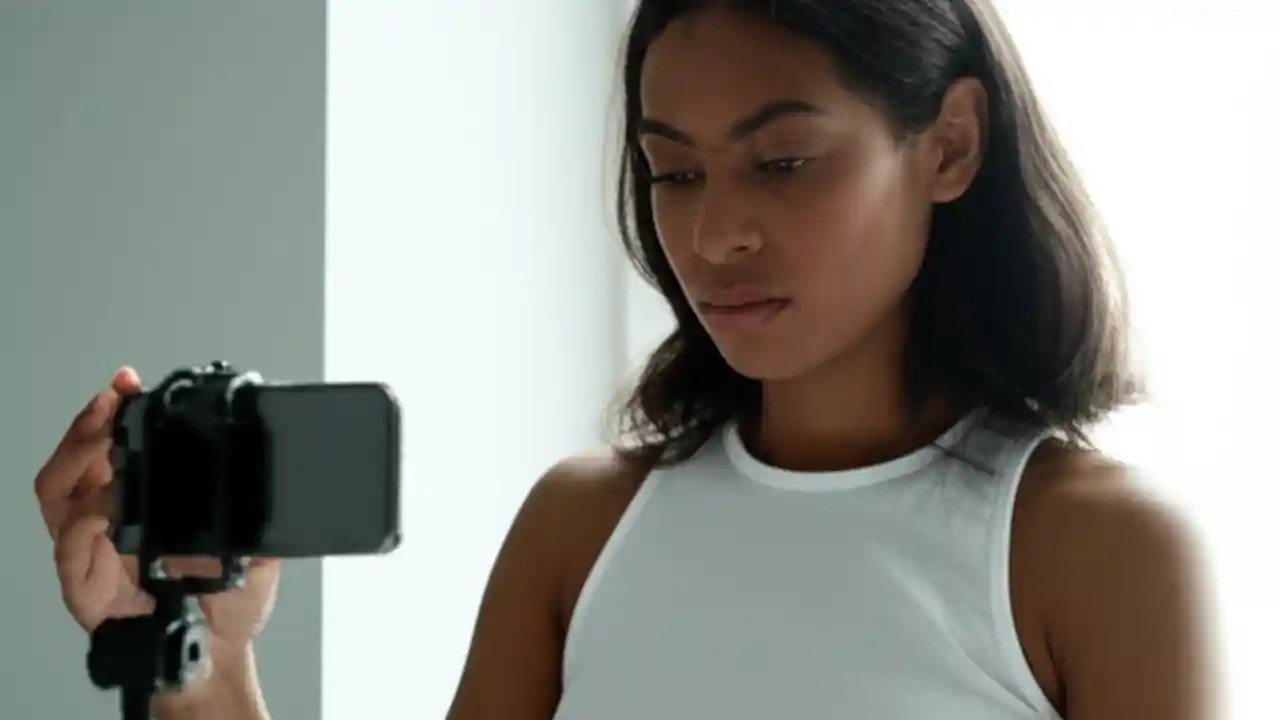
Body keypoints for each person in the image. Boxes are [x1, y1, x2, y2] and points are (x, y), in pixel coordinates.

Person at [35, 0, 1223, 718]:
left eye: (785, 161)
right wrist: (202, 659)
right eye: (674, 170)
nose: (712, 235)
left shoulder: (1094, 551)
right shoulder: (582, 528)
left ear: (949, 144)